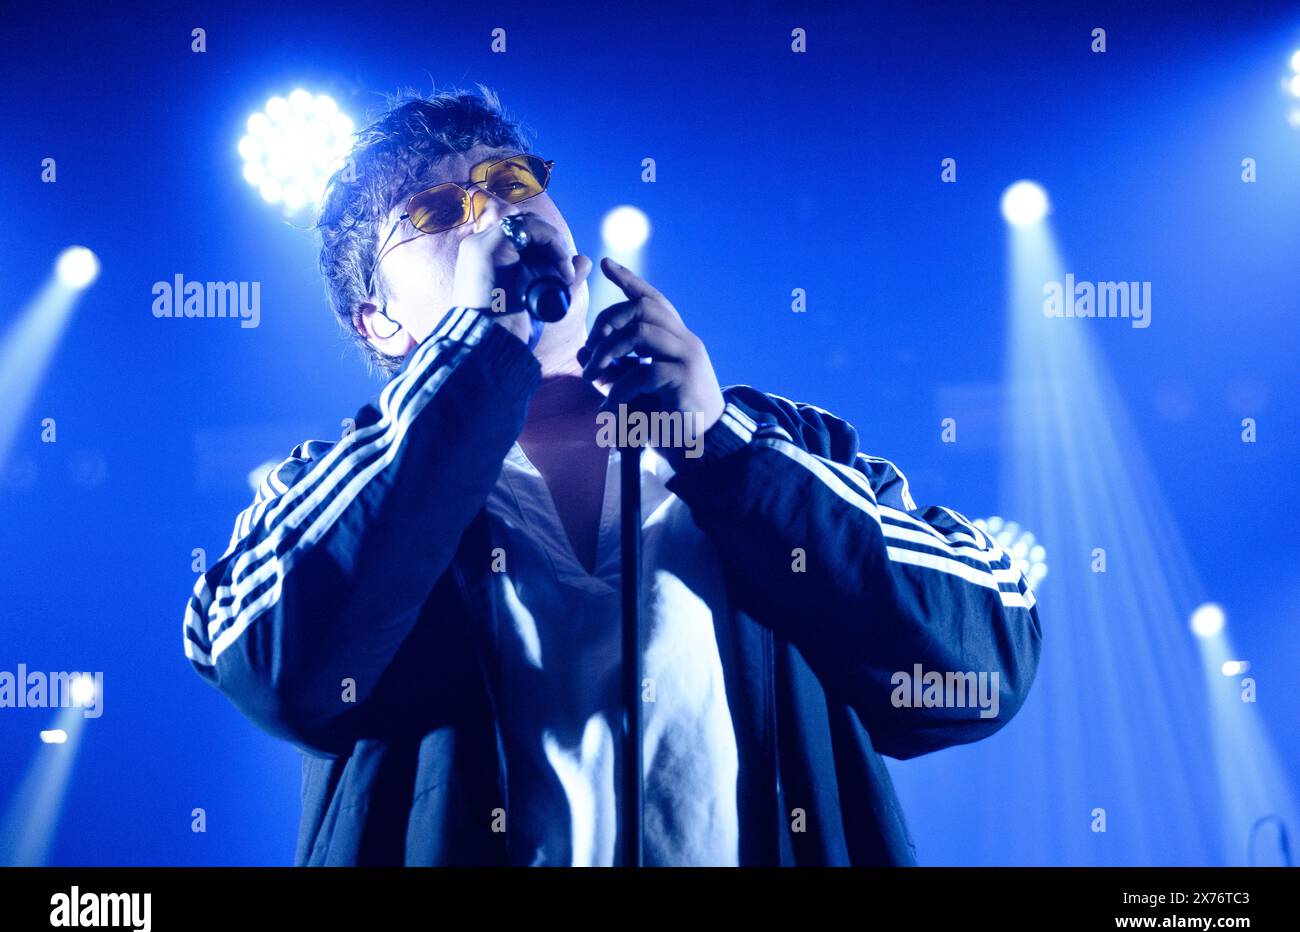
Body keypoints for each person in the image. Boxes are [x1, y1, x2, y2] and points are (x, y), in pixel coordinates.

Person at [183, 86, 1042, 866]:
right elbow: (273, 669)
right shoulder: (328, 489)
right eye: (441, 209)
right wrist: (476, 360)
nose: (494, 217)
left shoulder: (773, 442)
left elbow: (979, 673)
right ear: (381, 323)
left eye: (512, 182)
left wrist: (719, 447)